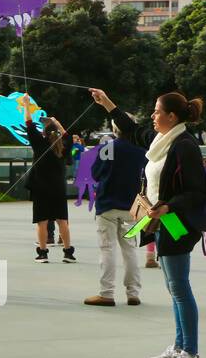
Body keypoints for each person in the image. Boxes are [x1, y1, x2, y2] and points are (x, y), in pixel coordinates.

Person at [90, 88, 206, 358]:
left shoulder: (184, 145)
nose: (153, 116)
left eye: (157, 111)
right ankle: (180, 347)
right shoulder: (162, 140)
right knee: (173, 286)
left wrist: (168, 207)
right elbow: (132, 130)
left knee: (179, 287)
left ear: (171, 116)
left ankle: (191, 354)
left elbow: (197, 191)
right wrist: (108, 103)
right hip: (161, 218)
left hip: (174, 220)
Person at [84, 121, 148, 306]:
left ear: (115, 129)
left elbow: (96, 174)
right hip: (132, 206)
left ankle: (107, 292)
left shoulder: (108, 148)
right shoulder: (141, 150)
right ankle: (133, 292)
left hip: (108, 204)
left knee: (107, 248)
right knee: (130, 249)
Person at [26, 115, 75, 263]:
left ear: (44, 133)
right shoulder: (63, 146)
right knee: (62, 221)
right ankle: (67, 252)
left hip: (41, 188)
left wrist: (27, 104)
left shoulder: (39, 144)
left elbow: (29, 124)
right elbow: (68, 136)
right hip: (58, 188)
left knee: (42, 222)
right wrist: (57, 122)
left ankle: (42, 253)